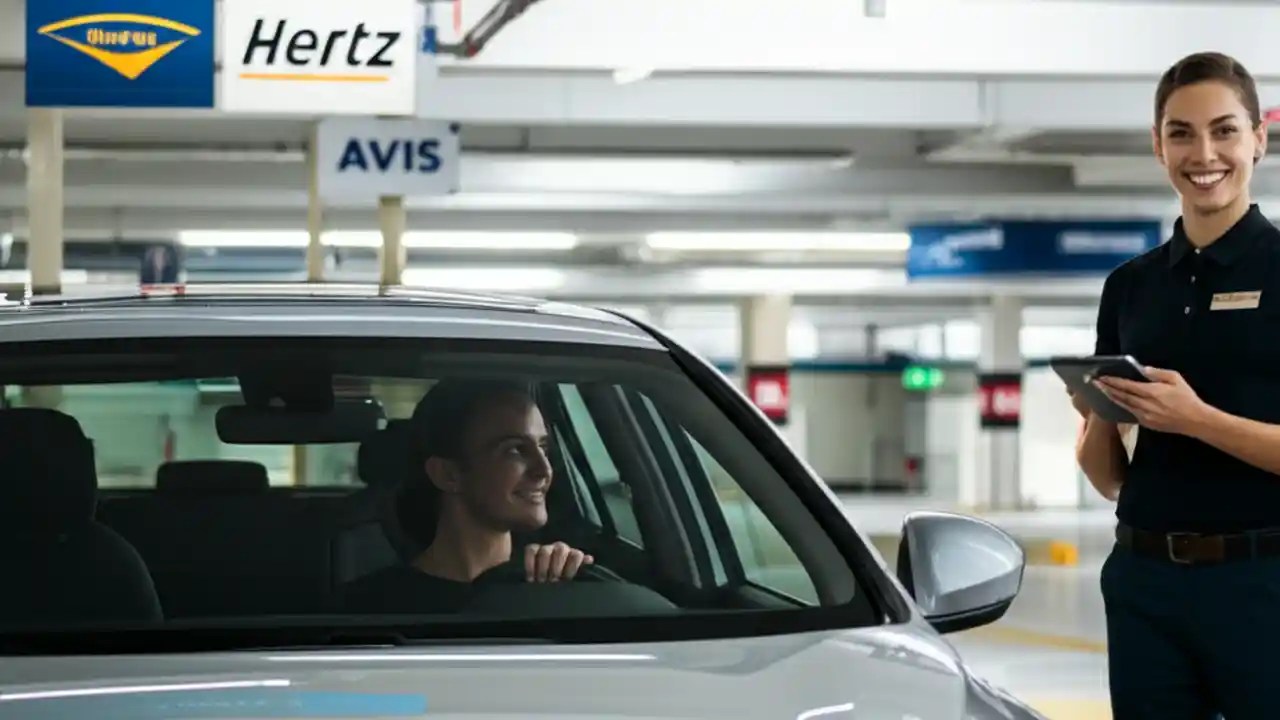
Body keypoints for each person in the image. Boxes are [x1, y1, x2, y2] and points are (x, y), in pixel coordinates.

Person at [1074, 51, 1280, 719]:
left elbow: (1187, 421)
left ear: (1259, 138)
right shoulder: (1131, 287)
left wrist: (1195, 418)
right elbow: (1111, 479)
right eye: (1182, 133)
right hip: (1143, 578)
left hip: (1262, 581)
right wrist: (1100, 411)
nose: (1204, 153)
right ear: (1158, 145)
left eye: (1224, 130)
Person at [340, 378, 593, 613]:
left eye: (543, 447)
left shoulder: (558, 585)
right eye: (515, 450)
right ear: (448, 474)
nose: (545, 470)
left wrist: (570, 578)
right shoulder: (366, 610)